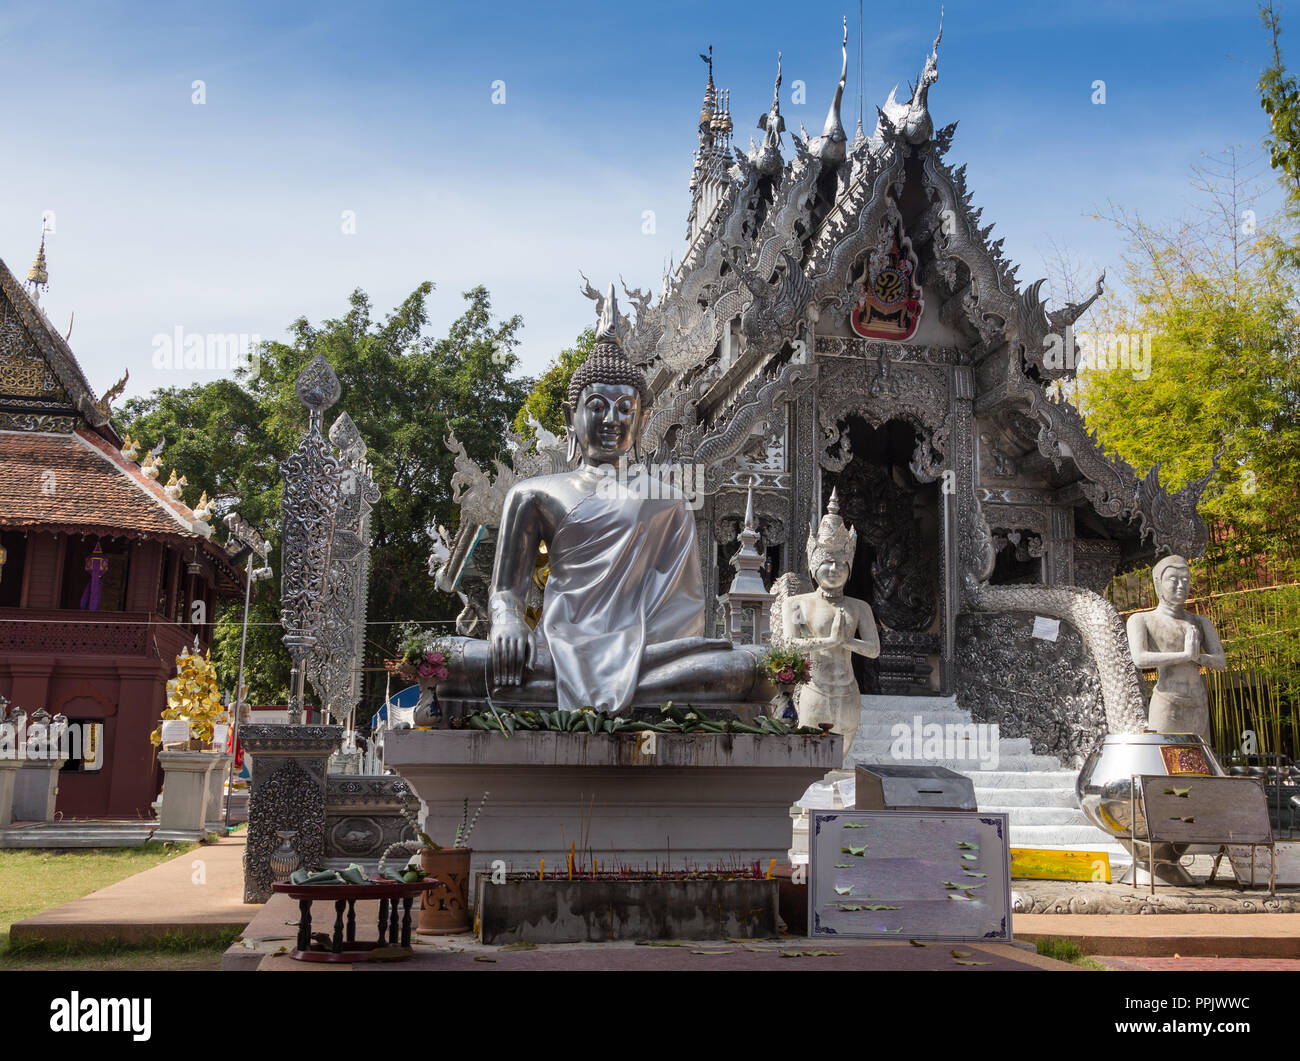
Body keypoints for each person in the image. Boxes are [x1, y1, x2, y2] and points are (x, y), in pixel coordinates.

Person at [436, 287, 771, 714]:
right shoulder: (534, 494)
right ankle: (604, 692)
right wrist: (506, 620)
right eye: (597, 406)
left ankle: (605, 690)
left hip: (646, 656)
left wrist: (638, 652)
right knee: (446, 659)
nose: (612, 419)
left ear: (642, 417)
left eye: (625, 408)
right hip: (554, 650)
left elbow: (682, 614)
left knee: (742, 668)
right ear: (569, 416)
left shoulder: (666, 501)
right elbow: (506, 590)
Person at [779, 490, 880, 754]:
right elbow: (790, 645)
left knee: (840, 761)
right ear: (813, 566)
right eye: (827, 562)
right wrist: (829, 641)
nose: (834, 569)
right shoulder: (798, 603)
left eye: (840, 563)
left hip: (848, 692)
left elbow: (874, 649)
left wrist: (847, 641)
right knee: (812, 758)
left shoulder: (859, 607)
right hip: (816, 690)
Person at [1125, 554, 1226, 743]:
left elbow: (1221, 662)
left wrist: (1199, 658)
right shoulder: (1142, 620)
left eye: (1186, 579)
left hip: (1198, 700)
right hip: (1167, 700)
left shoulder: (1201, 622)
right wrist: (1185, 655)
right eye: (1173, 579)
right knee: (1166, 760)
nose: (1181, 585)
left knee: (1200, 763)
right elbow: (1140, 659)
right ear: (1158, 582)